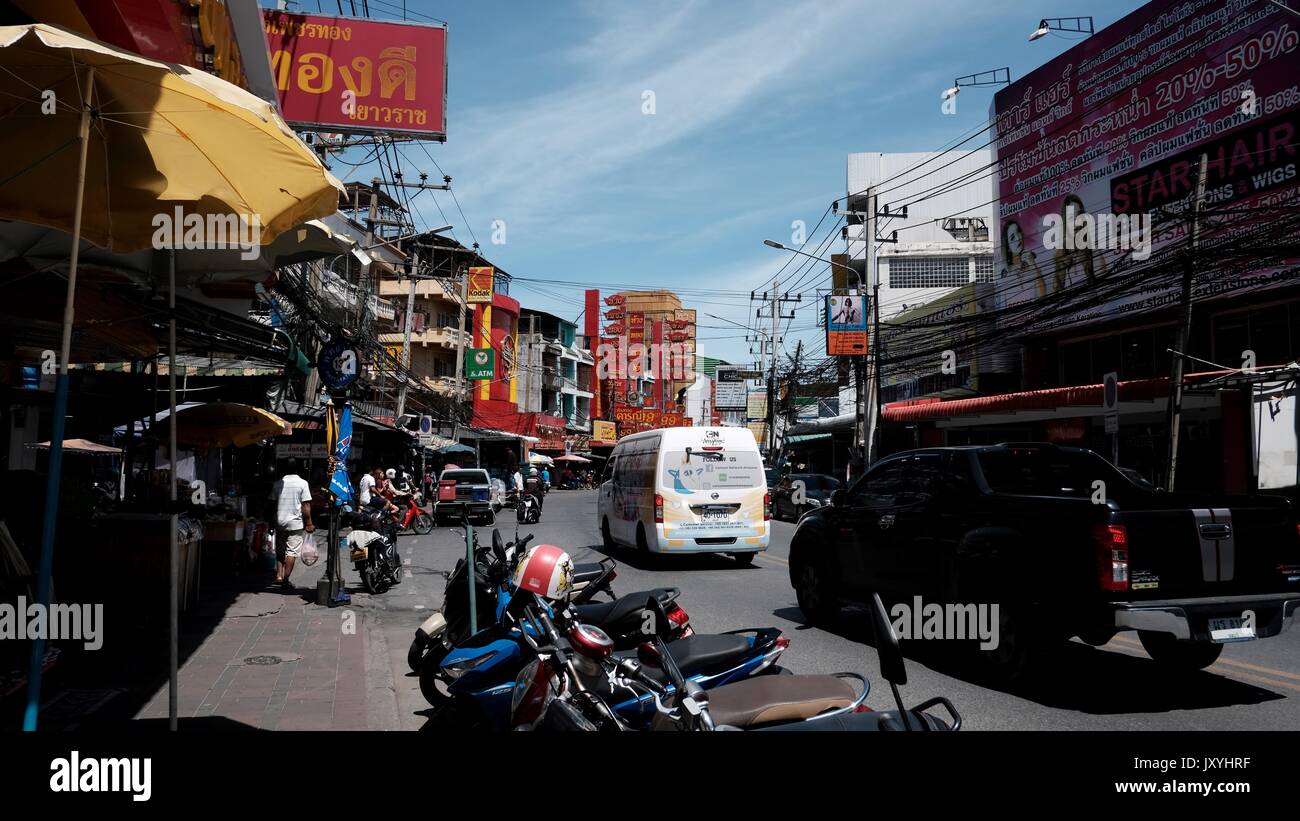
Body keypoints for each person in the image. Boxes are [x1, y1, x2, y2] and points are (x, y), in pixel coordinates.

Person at [268, 458, 313, 589]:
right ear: (298, 469)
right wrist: (309, 523)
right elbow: (306, 505)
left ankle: (279, 576)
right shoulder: (303, 483)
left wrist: (272, 521)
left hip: (280, 522)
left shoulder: (277, 484)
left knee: (280, 550)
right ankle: (286, 580)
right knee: (291, 552)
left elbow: (271, 504)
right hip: (295, 523)